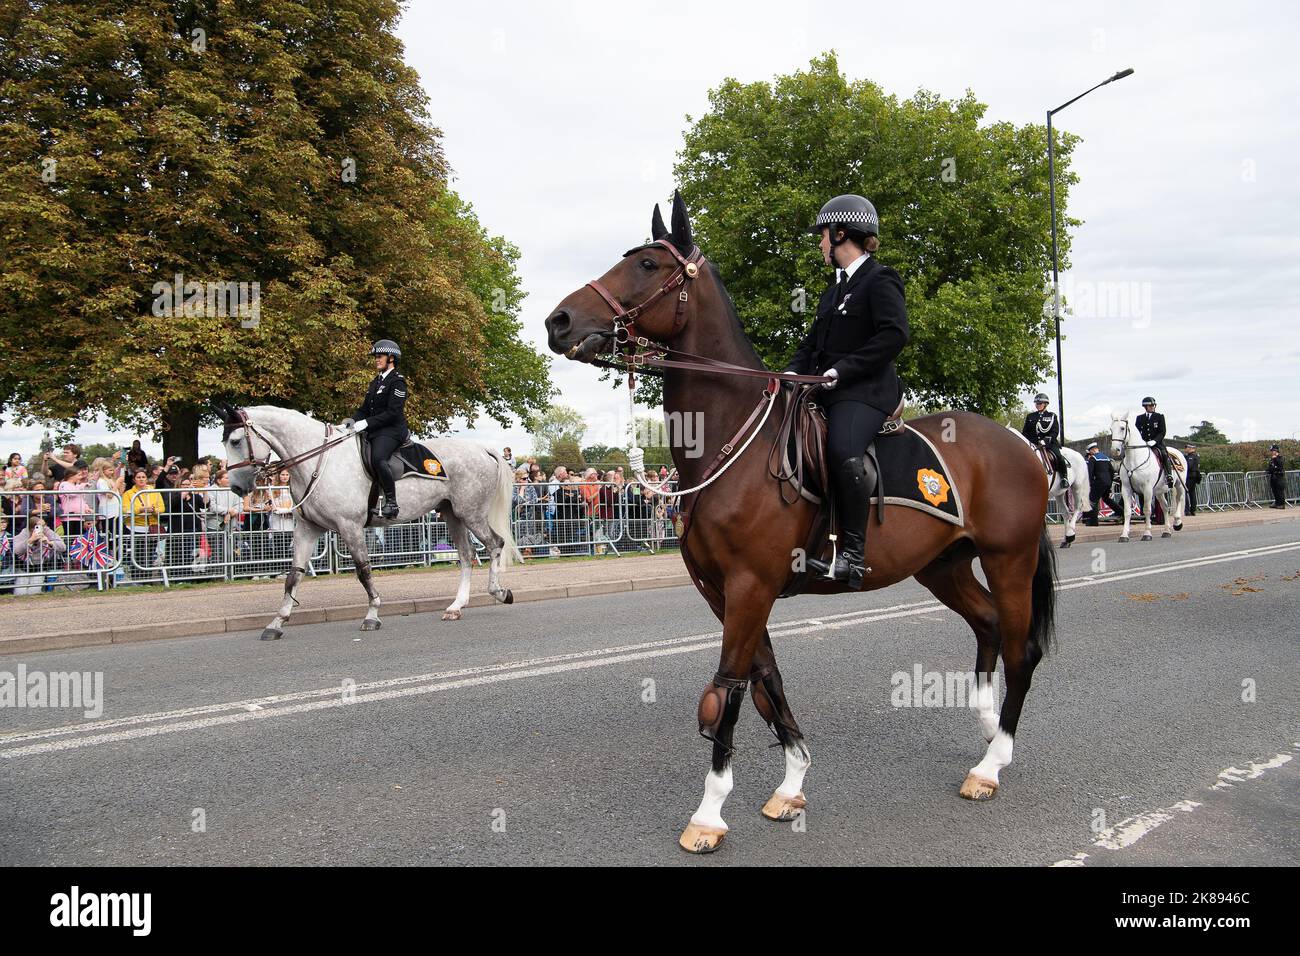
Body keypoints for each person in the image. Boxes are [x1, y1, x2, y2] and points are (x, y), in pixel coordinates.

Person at [783, 193, 909, 588]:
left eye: (822, 235)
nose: (820, 243)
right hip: (828, 392)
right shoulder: (832, 291)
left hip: (867, 391)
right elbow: (811, 345)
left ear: (840, 234)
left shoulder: (880, 278)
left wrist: (841, 370)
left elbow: (893, 335)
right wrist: (786, 375)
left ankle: (853, 556)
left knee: (842, 449)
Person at [344, 339, 409, 519]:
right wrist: (350, 421)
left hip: (392, 431)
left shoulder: (398, 382)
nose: (376, 360)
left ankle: (392, 503)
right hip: (374, 431)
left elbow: (393, 413)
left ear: (391, 358)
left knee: (378, 458)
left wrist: (366, 423)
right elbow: (364, 409)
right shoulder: (375, 382)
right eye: (376, 357)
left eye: (379, 356)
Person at [1021, 393, 1068, 482]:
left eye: (1040, 403)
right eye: (1036, 403)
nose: (1038, 405)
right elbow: (1025, 432)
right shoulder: (1030, 416)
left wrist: (1045, 440)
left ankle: (1064, 477)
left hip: (1049, 444)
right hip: (1033, 443)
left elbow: (1055, 432)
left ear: (1045, 404)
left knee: (1058, 456)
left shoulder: (1052, 416)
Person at [1136, 397, 1173, 488]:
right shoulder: (1139, 418)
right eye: (1151, 405)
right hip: (1143, 445)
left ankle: (1169, 475)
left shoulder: (1159, 416)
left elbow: (1162, 432)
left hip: (1157, 443)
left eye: (1153, 405)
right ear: (1145, 406)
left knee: (1164, 454)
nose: (1153, 407)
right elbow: (1137, 432)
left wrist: (1154, 441)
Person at [1083, 441, 1122, 525]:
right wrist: (1110, 482)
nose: (1090, 453)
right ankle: (1122, 513)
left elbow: (1090, 473)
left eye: (1090, 451)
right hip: (1108, 482)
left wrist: (1089, 484)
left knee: (1093, 500)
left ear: (1092, 450)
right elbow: (1111, 471)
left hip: (1098, 482)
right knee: (1107, 499)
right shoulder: (1106, 458)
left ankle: (1093, 521)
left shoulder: (1093, 459)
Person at [1183, 443, 1201, 515]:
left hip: (1190, 476)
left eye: (1187, 447)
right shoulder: (1195, 456)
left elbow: (1189, 466)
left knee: (1185, 492)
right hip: (1193, 476)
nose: (1185, 449)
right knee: (1192, 493)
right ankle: (1193, 510)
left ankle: (1187, 510)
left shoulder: (1191, 457)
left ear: (1191, 448)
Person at [1267, 444, 1287, 508]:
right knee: (1274, 490)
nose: (1272, 452)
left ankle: (1282, 504)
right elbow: (1271, 467)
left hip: (1279, 476)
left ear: (1276, 451)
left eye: (1273, 450)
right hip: (1273, 477)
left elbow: (1280, 465)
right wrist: (1268, 470)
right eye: (1271, 451)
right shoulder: (1272, 459)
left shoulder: (1280, 458)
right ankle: (1277, 503)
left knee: (1279, 491)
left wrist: (1275, 459)